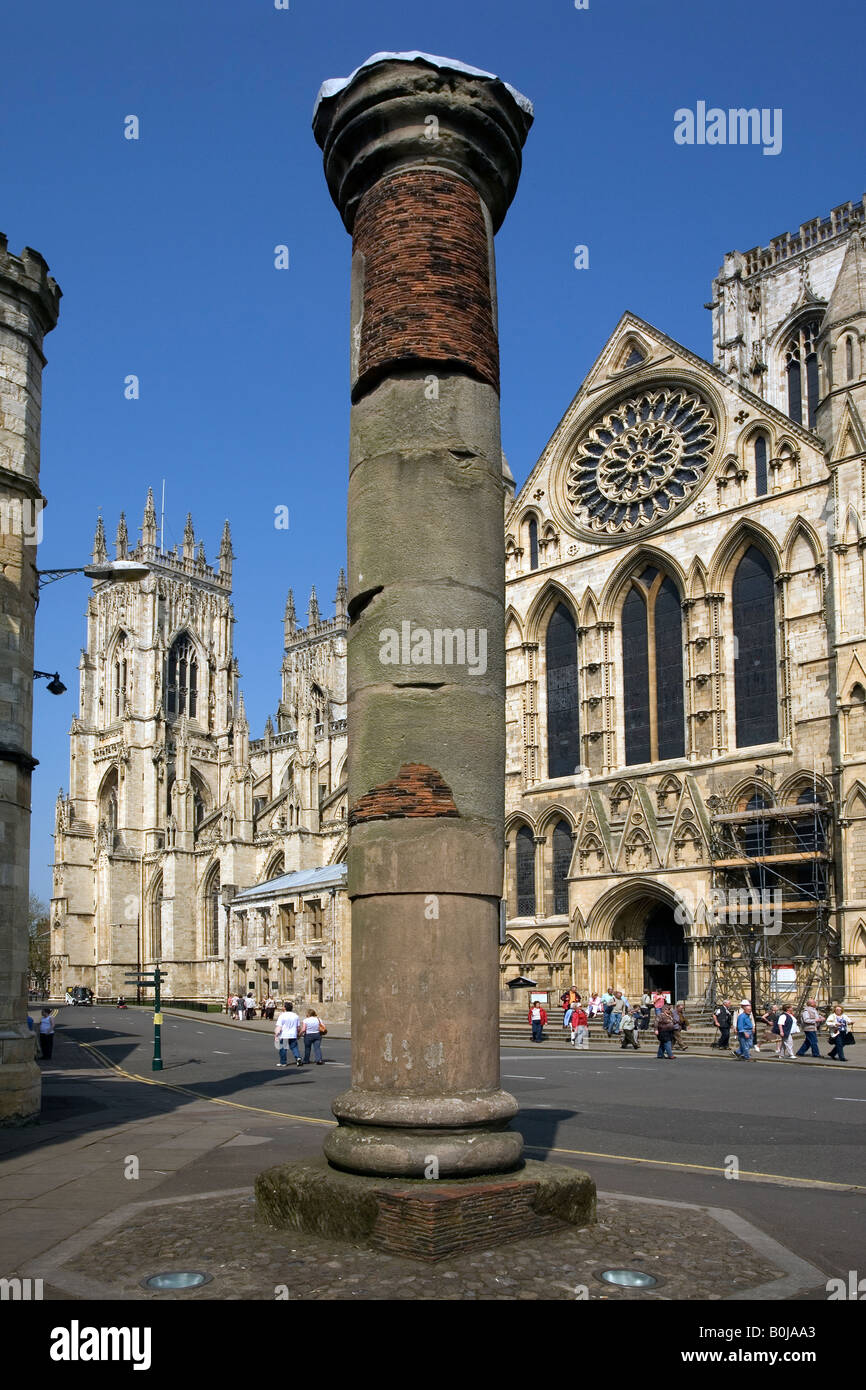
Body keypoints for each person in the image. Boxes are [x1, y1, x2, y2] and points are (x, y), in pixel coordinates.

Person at [274, 1000, 303, 1067]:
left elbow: (279, 1027)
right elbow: (298, 1027)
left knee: (283, 1049)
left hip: (284, 1035)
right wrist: (299, 1034)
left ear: (285, 1008)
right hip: (293, 1034)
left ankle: (283, 1062)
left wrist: (276, 1035)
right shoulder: (295, 1016)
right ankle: (298, 1058)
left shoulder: (282, 1016)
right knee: (294, 1047)